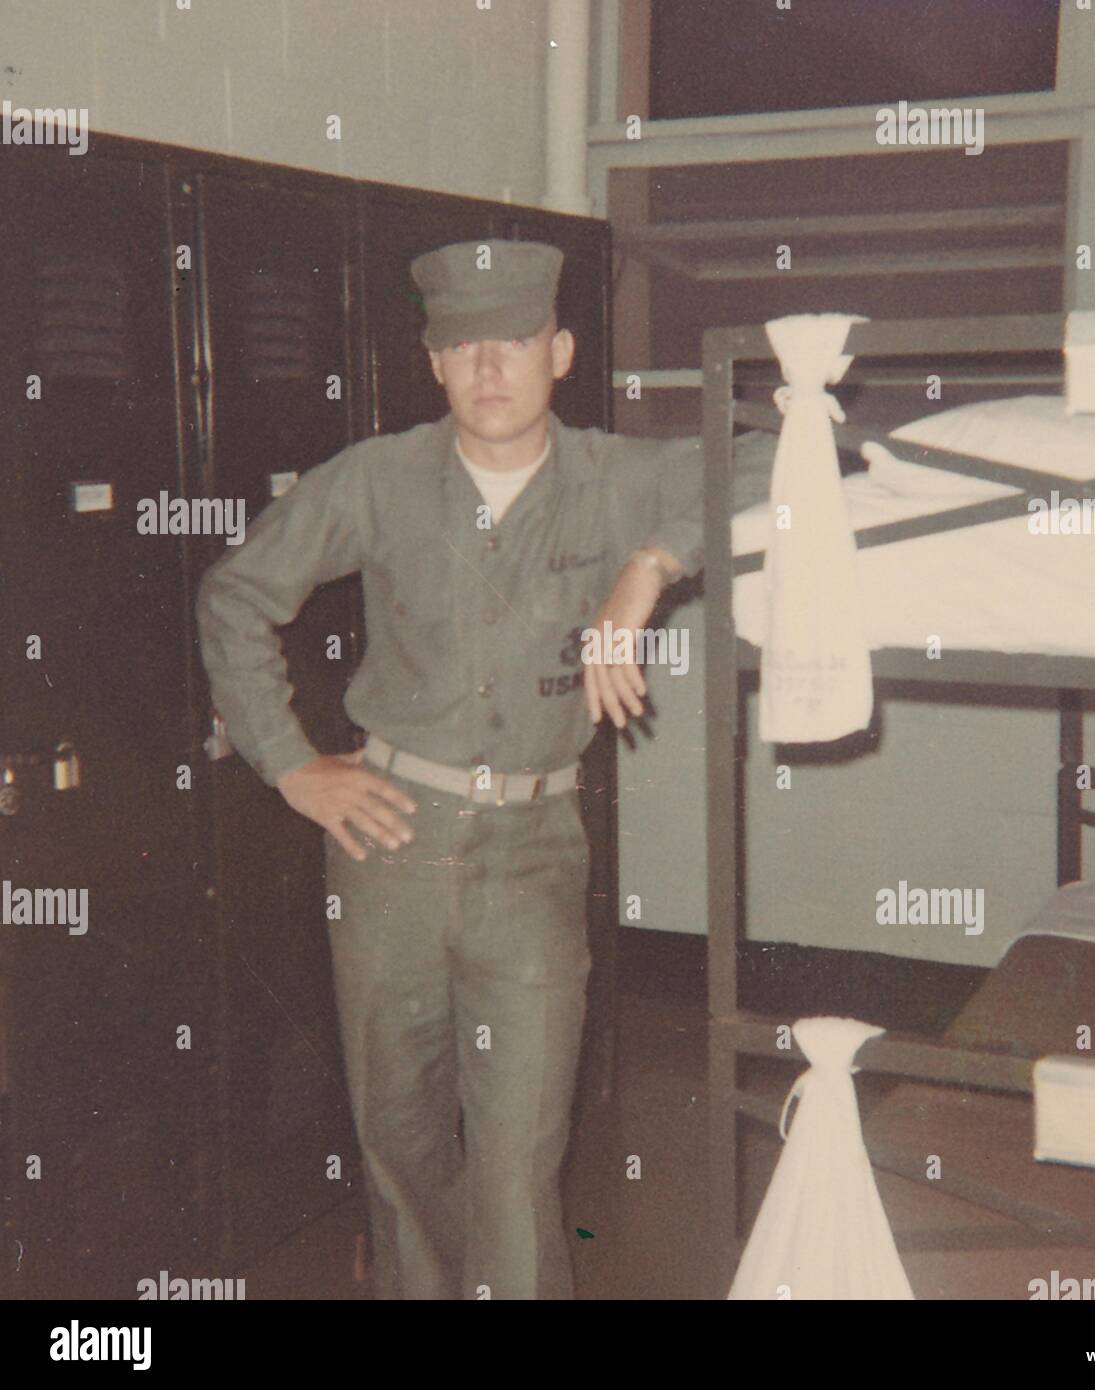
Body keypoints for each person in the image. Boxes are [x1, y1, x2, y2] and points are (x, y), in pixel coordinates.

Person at [197, 238, 774, 1300]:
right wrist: (288, 765)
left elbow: (775, 461)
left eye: (511, 341)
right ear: (433, 363)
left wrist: (647, 566)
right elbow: (234, 593)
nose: (488, 368)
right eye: (462, 346)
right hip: (385, 841)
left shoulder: (614, 475)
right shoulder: (377, 478)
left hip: (531, 855)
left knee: (516, 1160)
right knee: (401, 1140)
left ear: (557, 351)